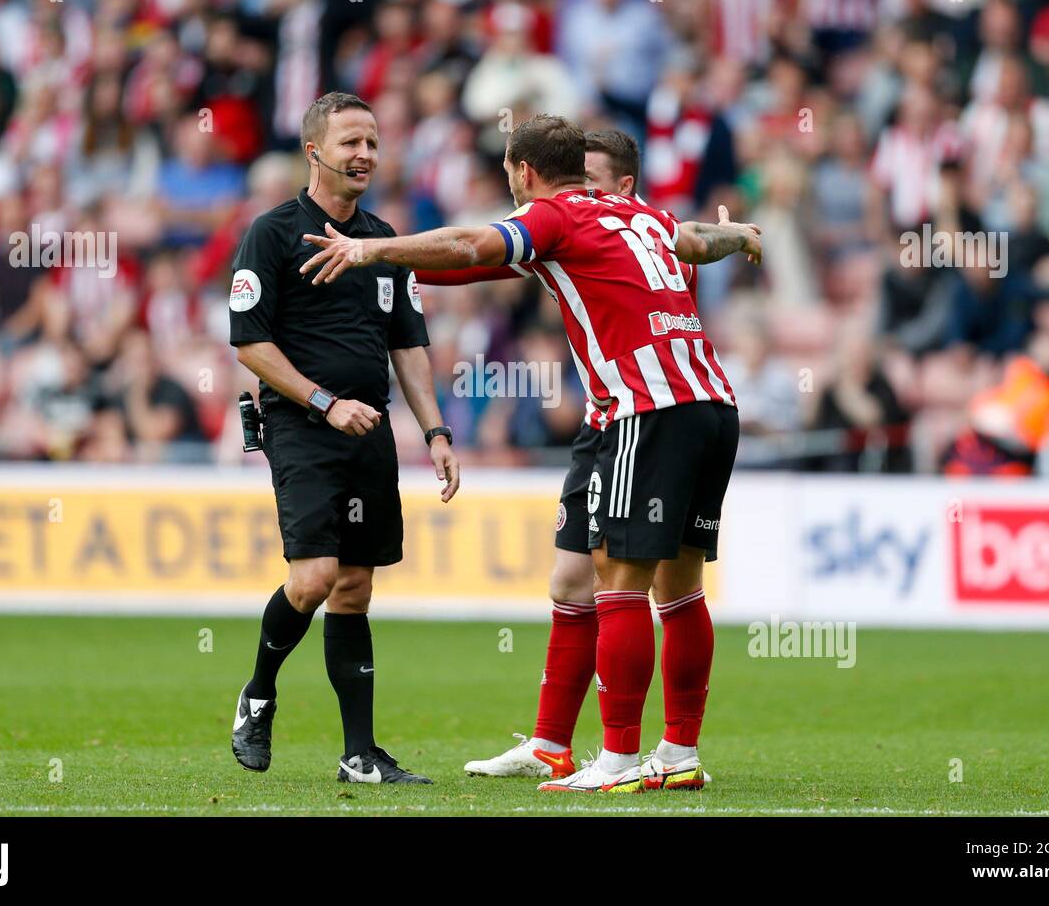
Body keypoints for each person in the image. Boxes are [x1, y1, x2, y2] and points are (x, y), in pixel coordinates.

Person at [301, 115, 751, 793]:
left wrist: (371, 253)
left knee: (620, 582)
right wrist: (742, 235)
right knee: (677, 588)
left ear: (525, 172)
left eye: (509, 168)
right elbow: (697, 239)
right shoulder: (637, 212)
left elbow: (471, 243)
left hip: (645, 408)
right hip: (711, 404)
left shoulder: (556, 214)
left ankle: (620, 761)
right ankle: (672, 753)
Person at [227, 92, 460, 786]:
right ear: (314, 152)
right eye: (351, 141)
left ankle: (360, 754)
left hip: (370, 433)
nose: (365, 154)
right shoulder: (270, 235)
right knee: (316, 577)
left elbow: (409, 348)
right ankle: (258, 693)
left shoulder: (385, 243)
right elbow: (249, 343)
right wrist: (324, 403)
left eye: (373, 142)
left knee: (355, 586)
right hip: (302, 428)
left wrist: (437, 432)